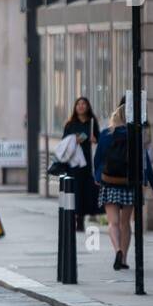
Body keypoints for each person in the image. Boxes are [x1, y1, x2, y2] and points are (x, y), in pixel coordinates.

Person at [93, 102, 153, 270]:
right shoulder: (136, 136)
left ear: (115, 116)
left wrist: (97, 177)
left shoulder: (106, 134)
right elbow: (145, 163)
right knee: (125, 223)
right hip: (129, 183)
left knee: (113, 223)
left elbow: (98, 159)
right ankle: (124, 260)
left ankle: (118, 251)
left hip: (109, 182)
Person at [63, 96, 100, 233]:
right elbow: (64, 142)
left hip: (88, 163)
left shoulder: (92, 122)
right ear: (75, 107)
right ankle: (75, 218)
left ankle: (82, 219)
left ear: (88, 107)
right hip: (73, 164)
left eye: (84, 104)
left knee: (86, 192)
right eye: (78, 104)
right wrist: (74, 140)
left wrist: (94, 139)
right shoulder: (70, 124)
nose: (81, 106)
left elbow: (99, 140)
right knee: (75, 192)